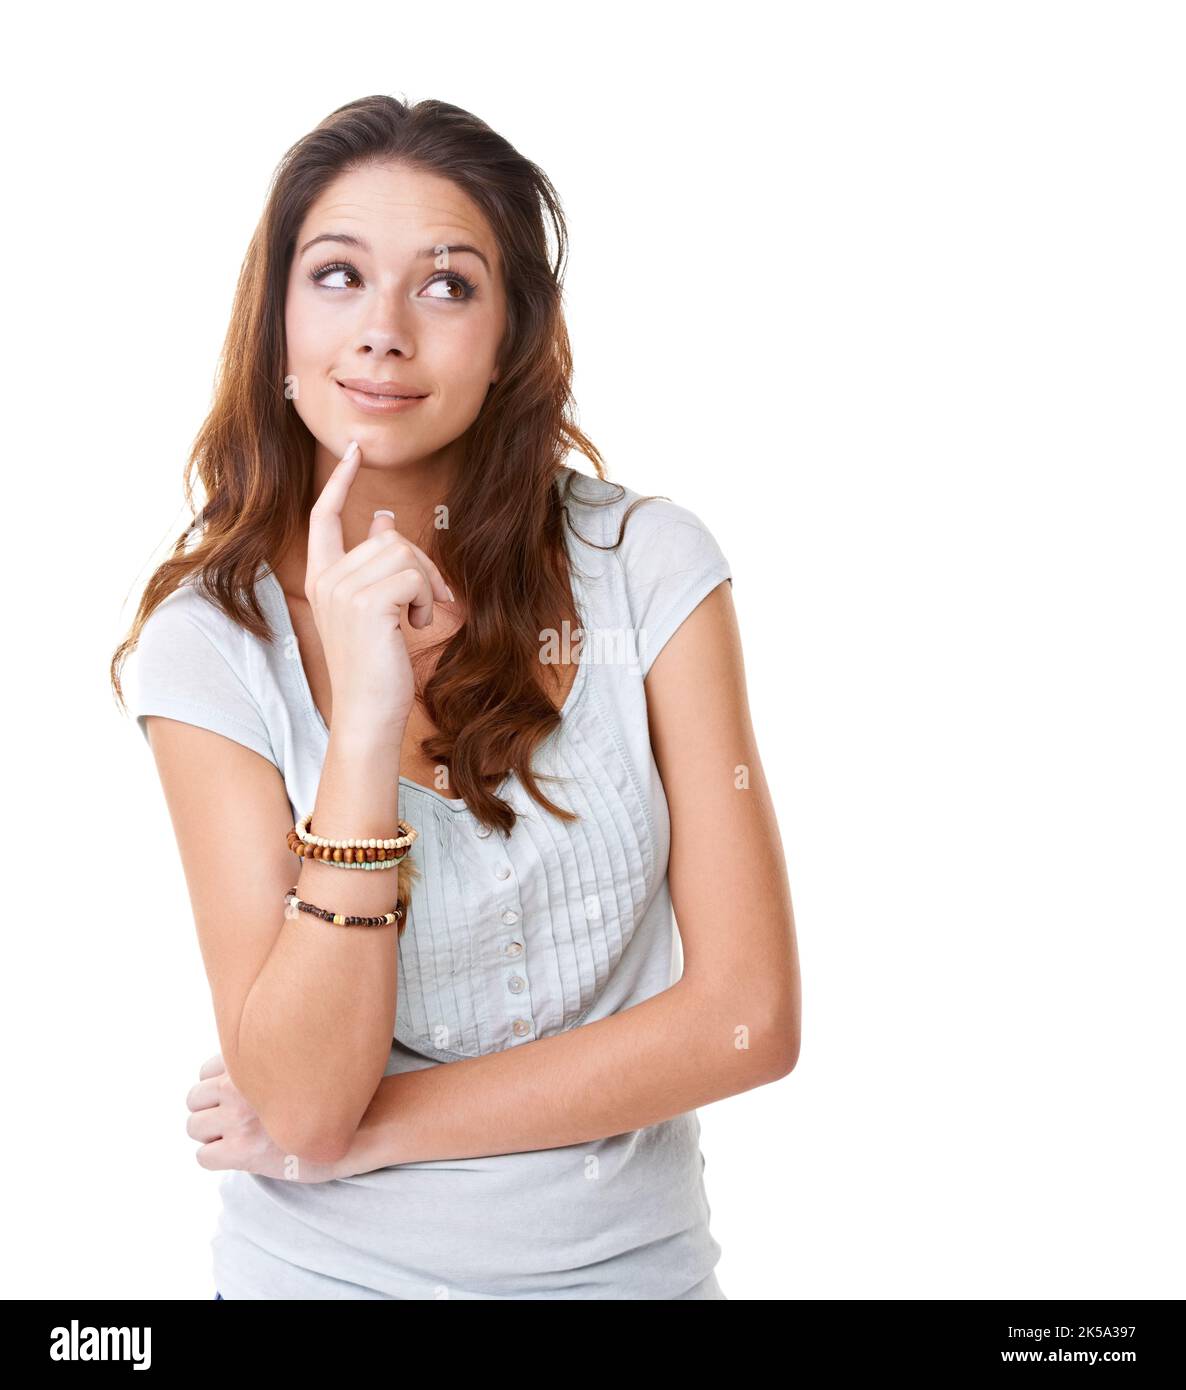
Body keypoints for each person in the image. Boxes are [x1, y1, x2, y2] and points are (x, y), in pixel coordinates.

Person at [110, 94, 801, 1300]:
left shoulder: (647, 565)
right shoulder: (209, 644)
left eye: (445, 286)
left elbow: (747, 1019)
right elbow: (308, 1091)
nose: (381, 333)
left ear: (511, 335)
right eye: (336, 276)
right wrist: (365, 723)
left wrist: (367, 1134)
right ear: (275, 323)